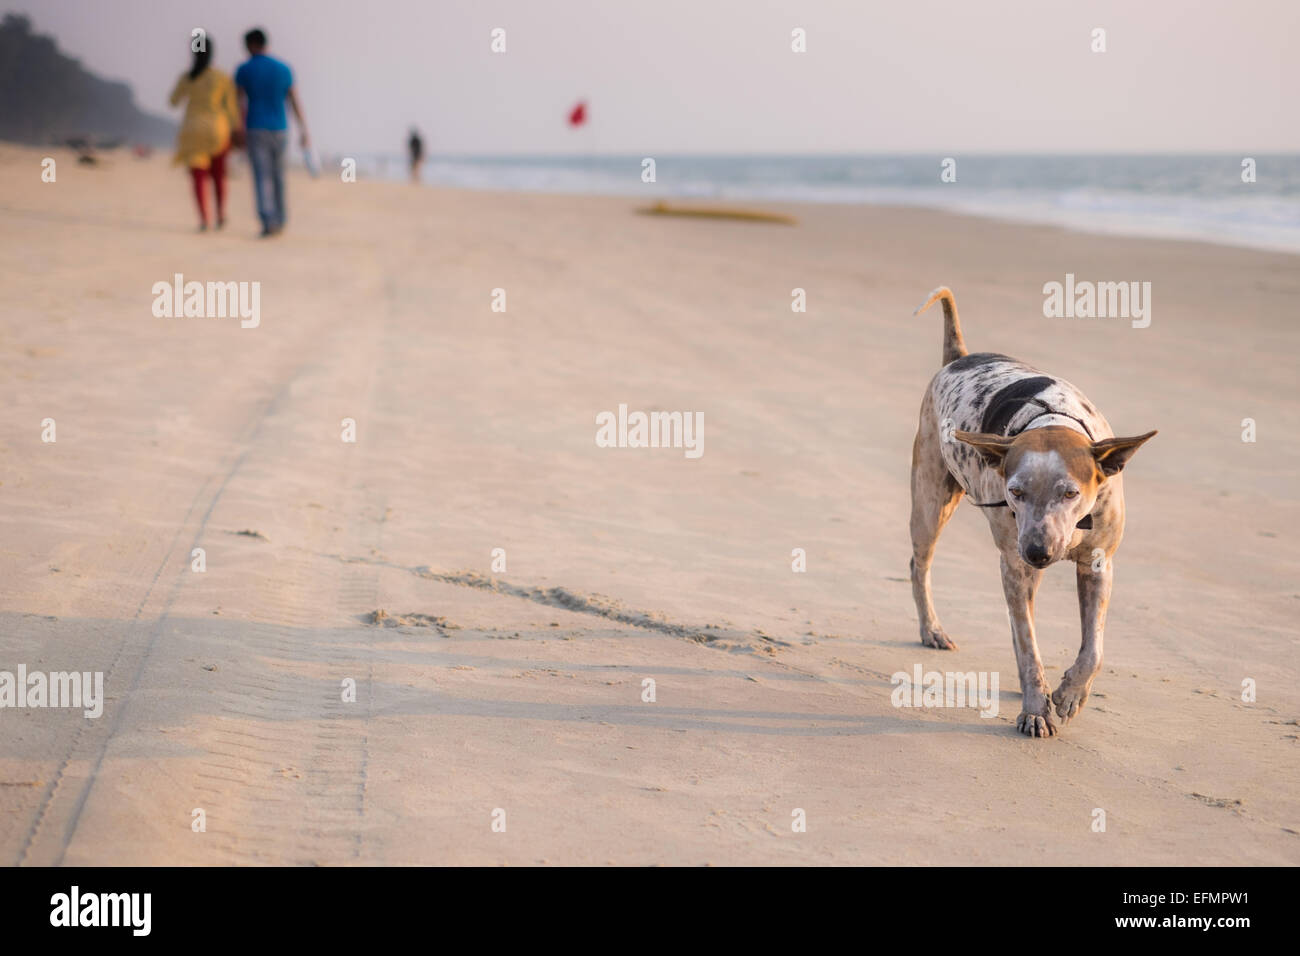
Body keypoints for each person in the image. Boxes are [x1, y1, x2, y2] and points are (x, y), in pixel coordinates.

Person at [234, 28, 309, 237]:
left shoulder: (244, 69)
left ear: (251, 45)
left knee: (261, 176)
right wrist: (304, 129)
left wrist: (238, 127)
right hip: (280, 129)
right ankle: (281, 218)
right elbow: (294, 100)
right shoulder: (284, 69)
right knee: (278, 177)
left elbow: (238, 101)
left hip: (256, 127)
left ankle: (268, 221)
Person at [169, 39, 240, 231]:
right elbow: (232, 108)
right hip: (218, 130)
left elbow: (173, 101)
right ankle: (221, 214)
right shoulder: (221, 77)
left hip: (193, 131)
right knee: (218, 175)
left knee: (198, 177)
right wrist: (237, 129)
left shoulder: (187, 77)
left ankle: (203, 219)